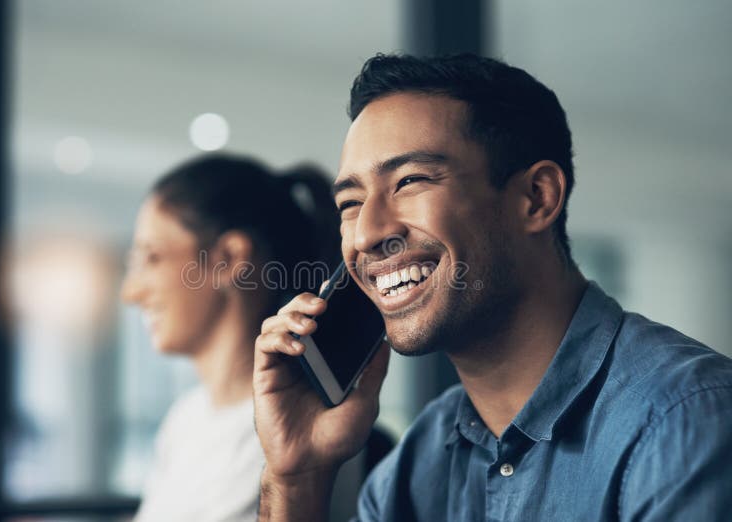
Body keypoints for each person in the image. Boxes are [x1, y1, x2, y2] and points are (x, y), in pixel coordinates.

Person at [253, 53, 732, 521]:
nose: (367, 234)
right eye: (350, 204)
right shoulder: (413, 468)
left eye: (410, 180)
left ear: (535, 198)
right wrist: (297, 480)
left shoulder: (686, 420)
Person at [121, 153, 337, 522]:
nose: (130, 291)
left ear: (230, 258)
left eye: (152, 258)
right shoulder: (185, 419)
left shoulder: (298, 431)